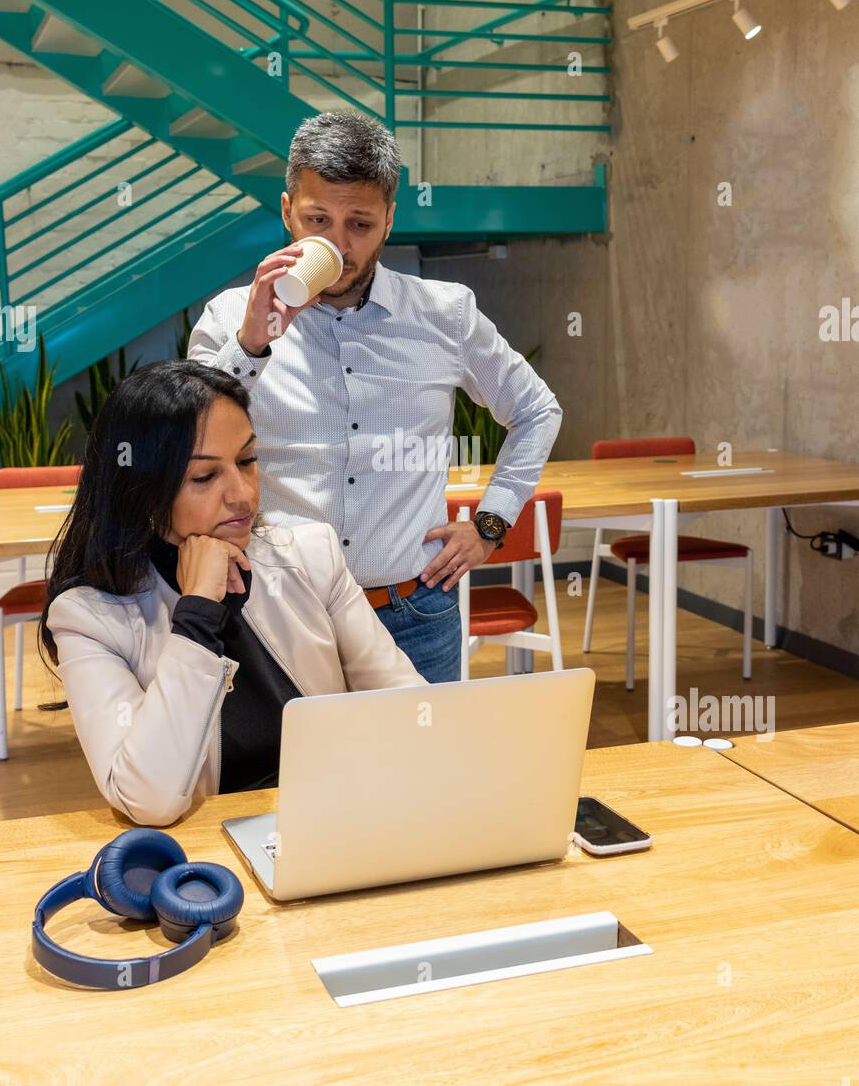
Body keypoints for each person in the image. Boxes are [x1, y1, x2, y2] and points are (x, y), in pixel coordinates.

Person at [188, 109, 563, 684]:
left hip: (413, 611)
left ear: (389, 219)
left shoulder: (446, 314)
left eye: (359, 224)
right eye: (318, 219)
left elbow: (536, 410)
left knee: (425, 772)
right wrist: (250, 345)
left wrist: (490, 525)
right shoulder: (229, 318)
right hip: (280, 614)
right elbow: (189, 448)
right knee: (294, 774)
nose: (337, 245)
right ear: (288, 211)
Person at [39, 360, 425, 827]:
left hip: (336, 823)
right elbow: (150, 799)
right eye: (204, 478)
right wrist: (197, 614)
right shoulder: (89, 618)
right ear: (140, 492)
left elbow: (408, 706)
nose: (242, 494)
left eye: (246, 461)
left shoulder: (310, 553)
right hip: (204, 857)